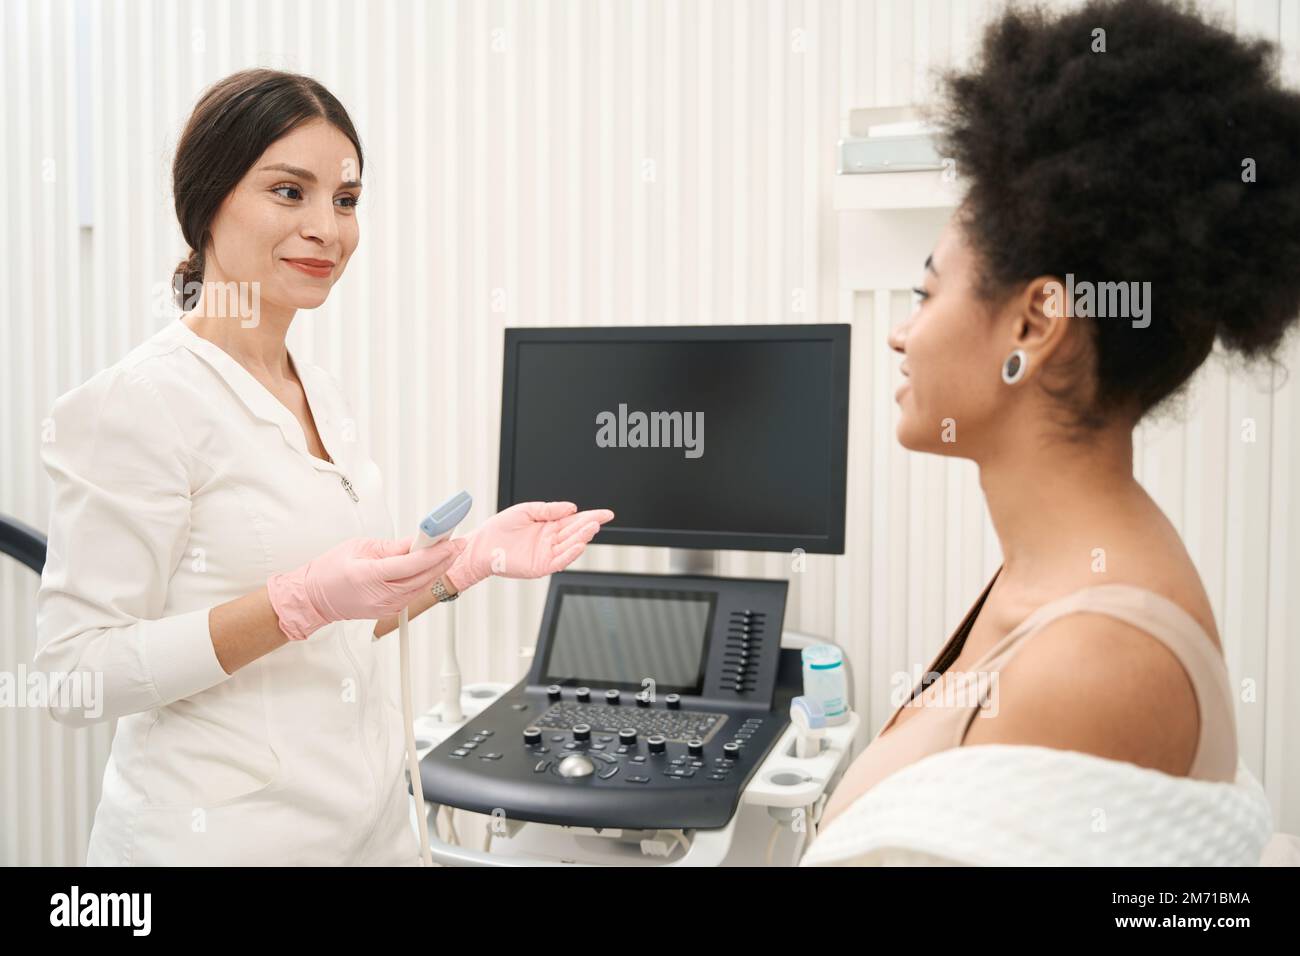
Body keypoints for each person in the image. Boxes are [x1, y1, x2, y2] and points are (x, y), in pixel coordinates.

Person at [34, 68, 614, 865]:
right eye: (288, 191)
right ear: (208, 200)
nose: (326, 229)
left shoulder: (318, 390)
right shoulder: (138, 404)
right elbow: (77, 674)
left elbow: (342, 610)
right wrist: (294, 600)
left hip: (368, 823)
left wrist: (462, 563)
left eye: (344, 201)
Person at [819, 0, 1300, 833]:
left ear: (1034, 326)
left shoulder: (1097, 662)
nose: (902, 332)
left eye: (925, 293)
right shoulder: (1040, 580)